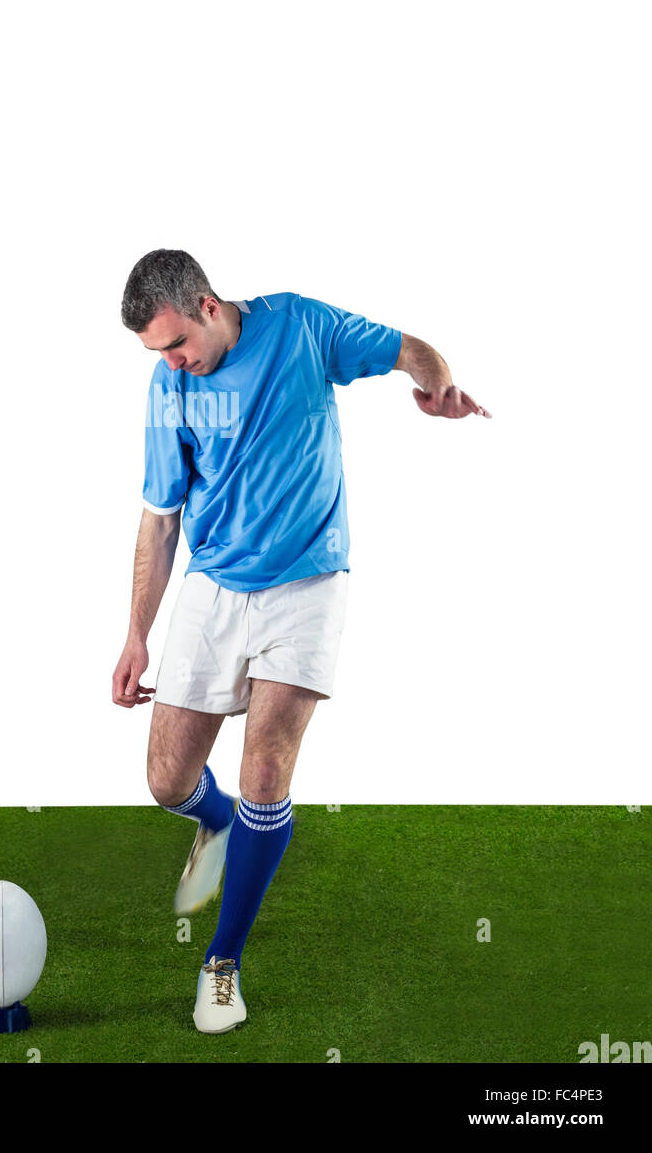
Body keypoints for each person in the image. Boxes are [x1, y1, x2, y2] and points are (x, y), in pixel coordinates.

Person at [112, 248, 490, 1034]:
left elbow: (405, 348)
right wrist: (135, 635)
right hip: (214, 585)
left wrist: (437, 383)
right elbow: (160, 515)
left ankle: (222, 963)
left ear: (209, 307)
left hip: (309, 581)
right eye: (158, 354)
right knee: (166, 779)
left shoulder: (303, 328)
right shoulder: (169, 388)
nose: (171, 363)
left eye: (176, 344)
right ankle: (213, 824)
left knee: (265, 770)